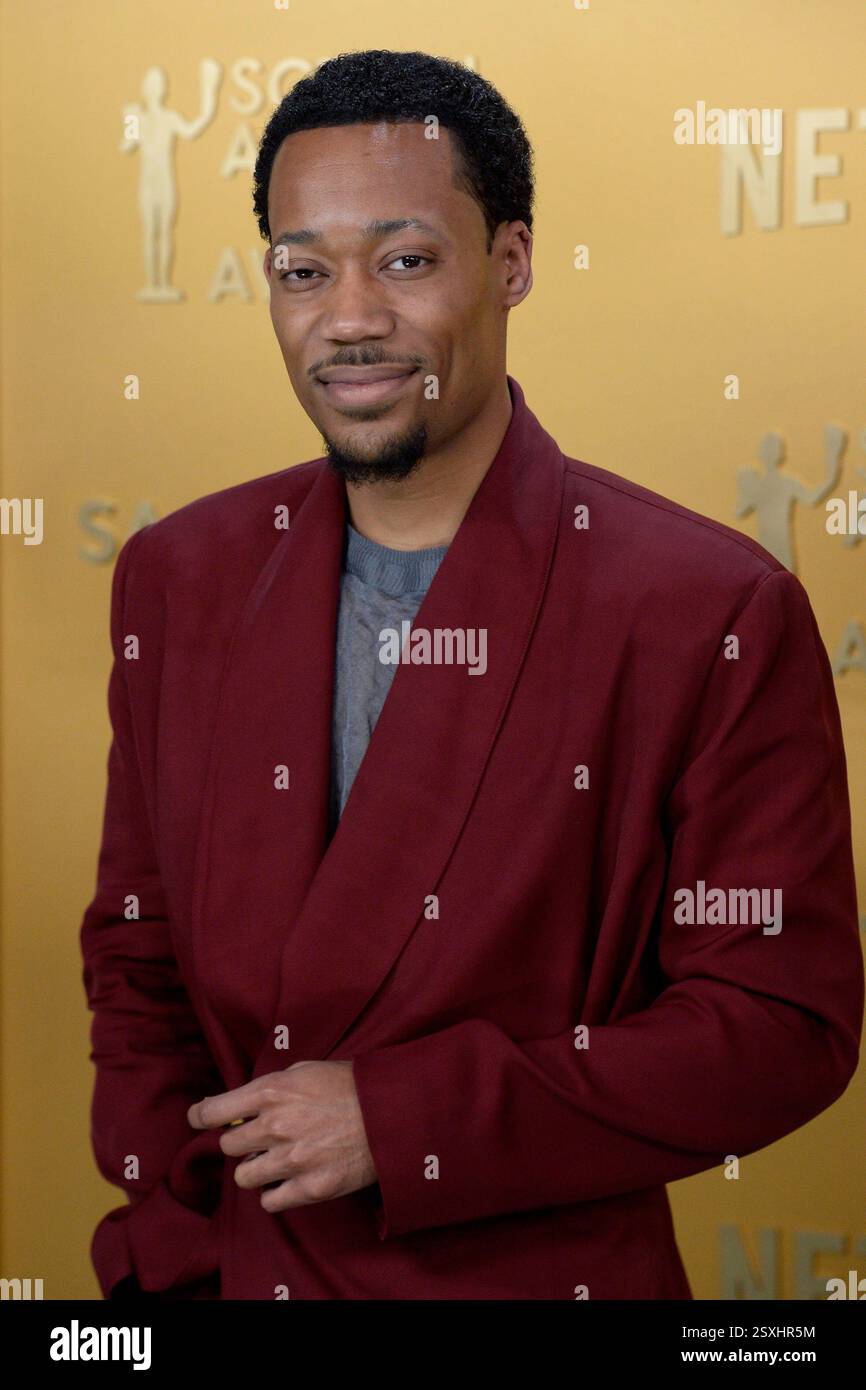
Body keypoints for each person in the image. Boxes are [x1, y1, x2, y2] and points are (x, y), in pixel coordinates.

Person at [81, 49, 863, 1301]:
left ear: (510, 260)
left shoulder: (703, 607)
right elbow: (138, 951)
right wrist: (175, 1227)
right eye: (301, 268)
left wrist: (400, 1121)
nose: (346, 318)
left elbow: (778, 1027)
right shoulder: (183, 576)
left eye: (403, 260)